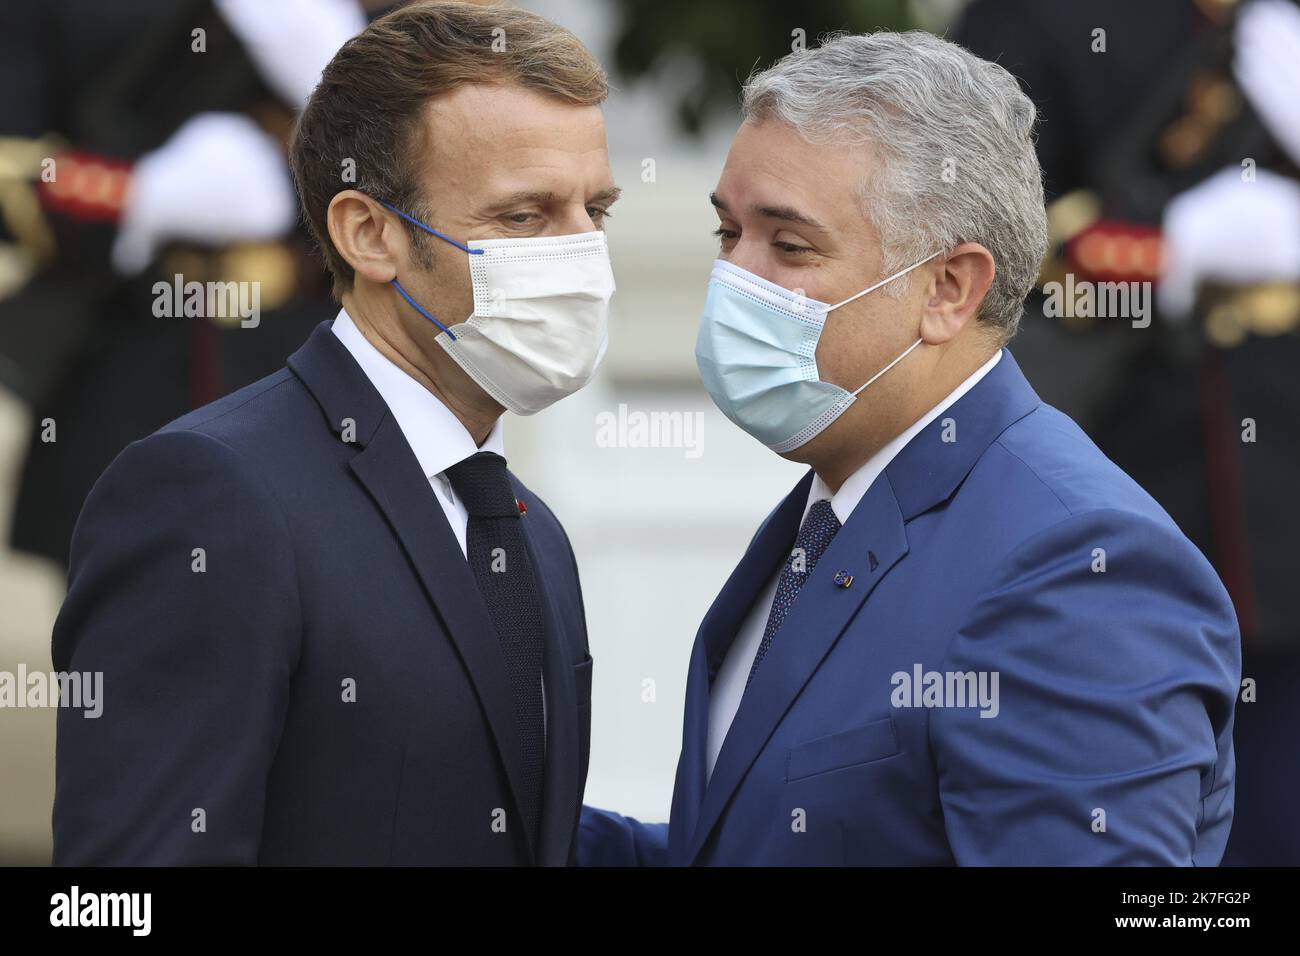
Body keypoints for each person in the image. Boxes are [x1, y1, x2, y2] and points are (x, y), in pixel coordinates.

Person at [581, 30, 1240, 866]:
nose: (735, 279)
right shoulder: (840, 498)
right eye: (728, 234)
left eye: (789, 246)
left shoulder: (1080, 565)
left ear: (948, 290)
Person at [52, 0, 615, 865]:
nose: (582, 255)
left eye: (596, 212)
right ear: (368, 233)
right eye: (524, 216)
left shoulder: (531, 533)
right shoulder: (213, 496)